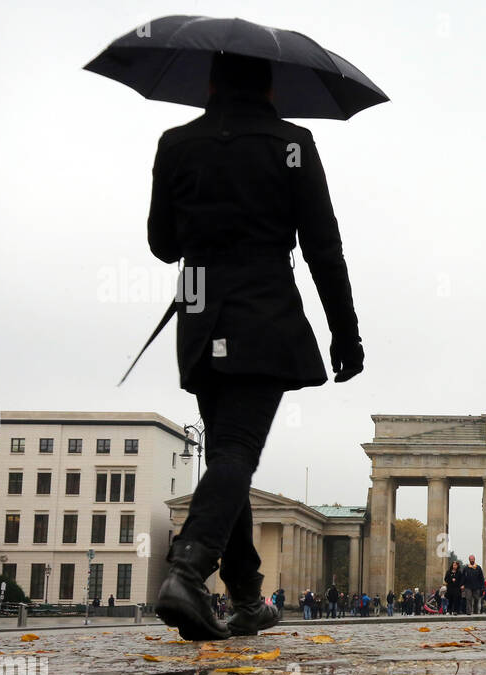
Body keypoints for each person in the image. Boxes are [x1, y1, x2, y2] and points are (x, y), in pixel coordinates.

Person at [148, 52, 363, 641]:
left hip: (198, 313)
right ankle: (188, 569)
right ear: (271, 85)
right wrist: (345, 333)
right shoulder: (291, 143)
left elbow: (162, 244)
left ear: (211, 83)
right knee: (237, 449)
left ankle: (245, 598)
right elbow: (324, 247)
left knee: (225, 451)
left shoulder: (176, 142)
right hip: (262, 313)